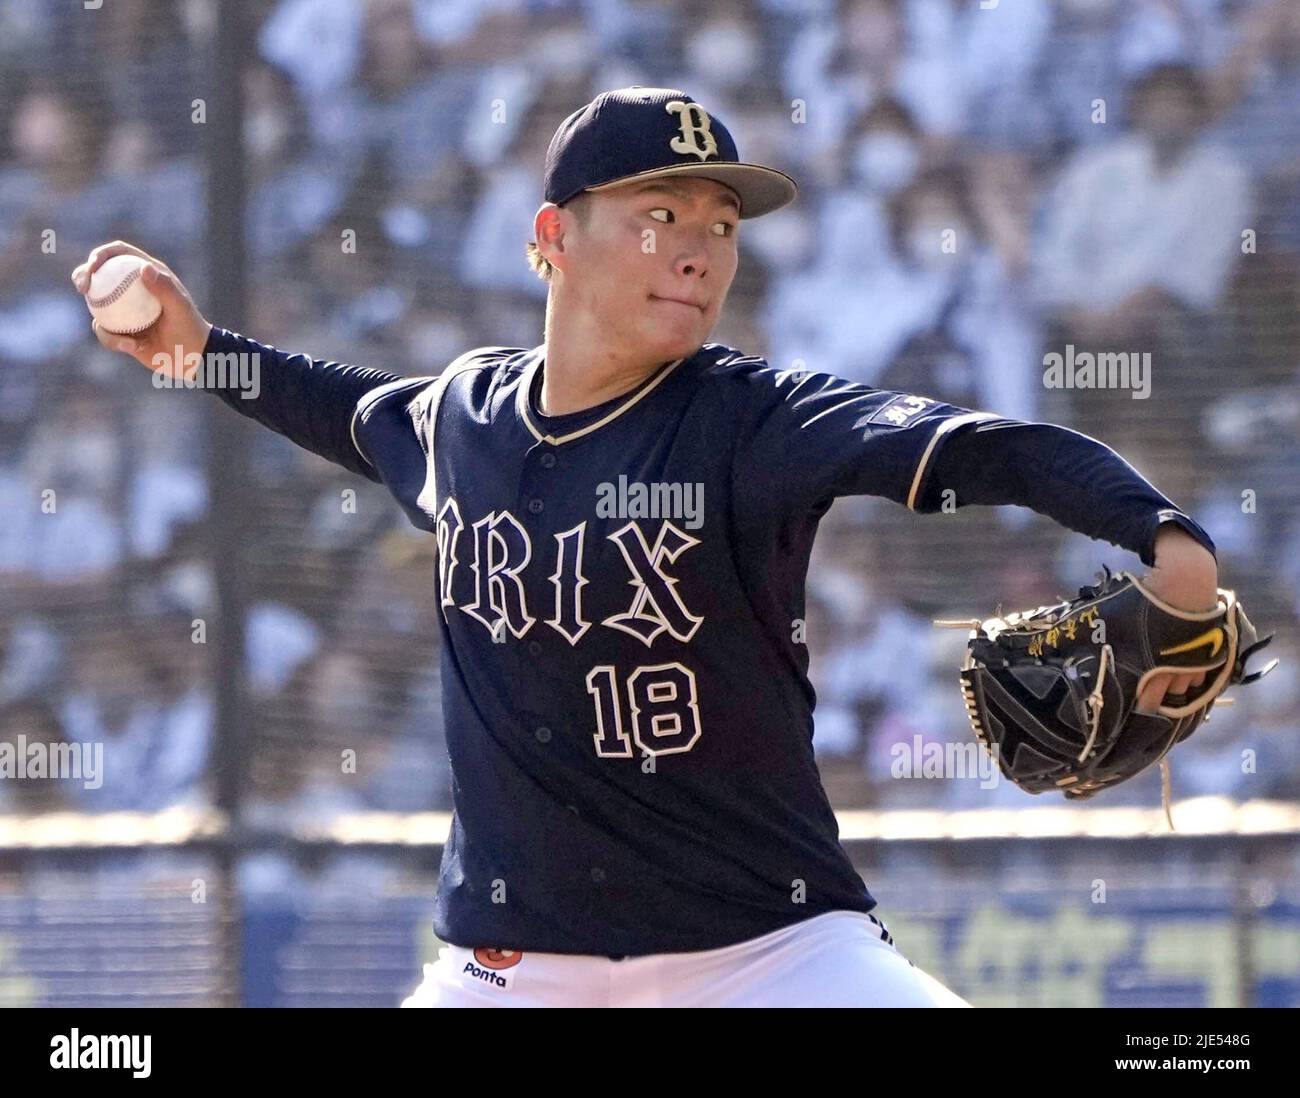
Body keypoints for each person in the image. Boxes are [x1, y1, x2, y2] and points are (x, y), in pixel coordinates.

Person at [73, 86, 1221, 1008]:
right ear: (551, 237)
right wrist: (194, 351)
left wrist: (1167, 544)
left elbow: (973, 443)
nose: (700, 251)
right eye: (658, 217)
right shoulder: (462, 421)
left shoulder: (751, 420)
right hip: (512, 967)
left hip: (771, 953)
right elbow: (331, 405)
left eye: (720, 227)